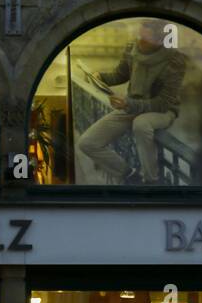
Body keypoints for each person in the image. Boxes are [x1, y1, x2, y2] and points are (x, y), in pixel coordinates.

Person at [75, 20, 185, 185]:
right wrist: (100, 77)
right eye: (140, 34)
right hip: (131, 107)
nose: (139, 40)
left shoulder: (174, 61)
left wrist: (129, 104)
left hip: (162, 112)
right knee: (87, 143)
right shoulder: (132, 49)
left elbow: (164, 102)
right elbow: (121, 74)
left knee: (141, 124)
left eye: (145, 37)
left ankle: (151, 181)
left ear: (159, 40)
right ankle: (128, 174)